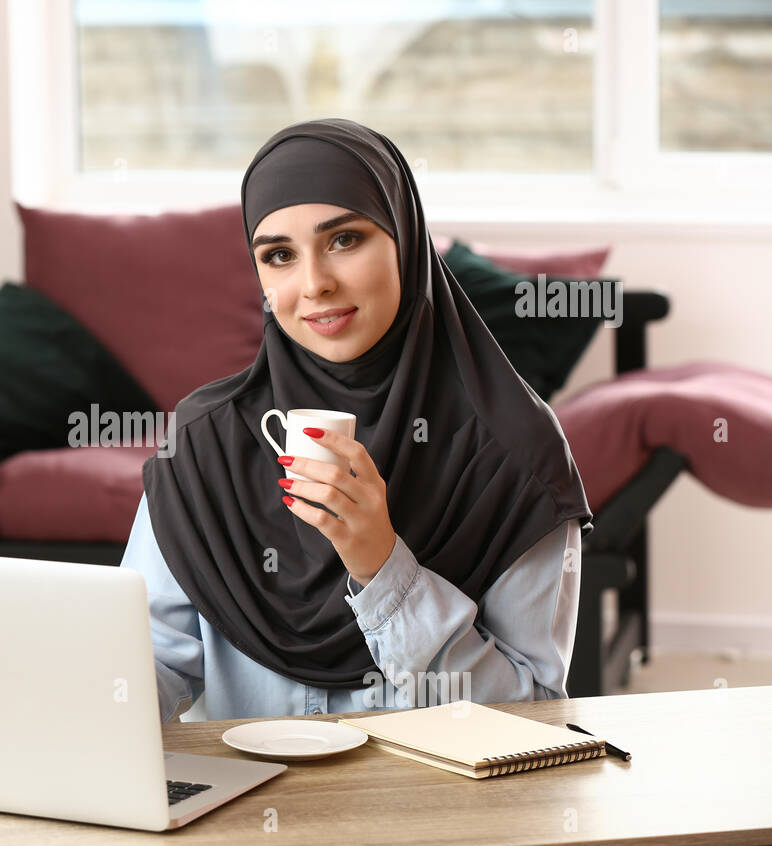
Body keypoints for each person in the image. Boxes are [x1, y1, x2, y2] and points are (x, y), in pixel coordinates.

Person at [123, 118, 594, 722]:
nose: (315, 283)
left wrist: (381, 565)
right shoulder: (204, 444)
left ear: (404, 238)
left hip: (434, 811)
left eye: (344, 239)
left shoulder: (511, 454)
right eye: (279, 256)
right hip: (245, 806)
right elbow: (153, 666)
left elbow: (533, 716)